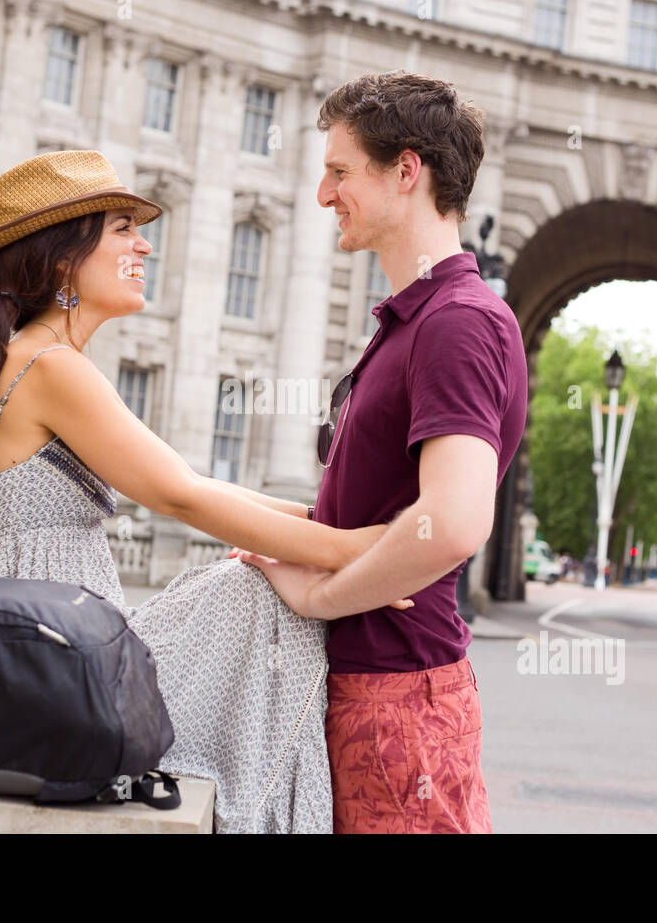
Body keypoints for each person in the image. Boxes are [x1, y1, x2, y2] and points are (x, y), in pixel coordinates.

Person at [0, 150, 407, 833]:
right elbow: (183, 496)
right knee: (257, 594)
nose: (144, 243)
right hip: (58, 677)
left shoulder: (39, 358)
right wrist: (353, 550)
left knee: (247, 581)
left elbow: (194, 483)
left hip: (55, 660)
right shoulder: (50, 364)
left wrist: (325, 524)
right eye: (123, 227)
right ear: (66, 256)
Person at [238, 72, 529, 833]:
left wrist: (318, 596)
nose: (323, 194)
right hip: (375, 686)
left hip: (397, 695)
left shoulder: (459, 322)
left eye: (339, 172)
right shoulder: (416, 321)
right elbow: (356, 515)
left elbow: (455, 522)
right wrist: (205, 502)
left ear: (406, 171)